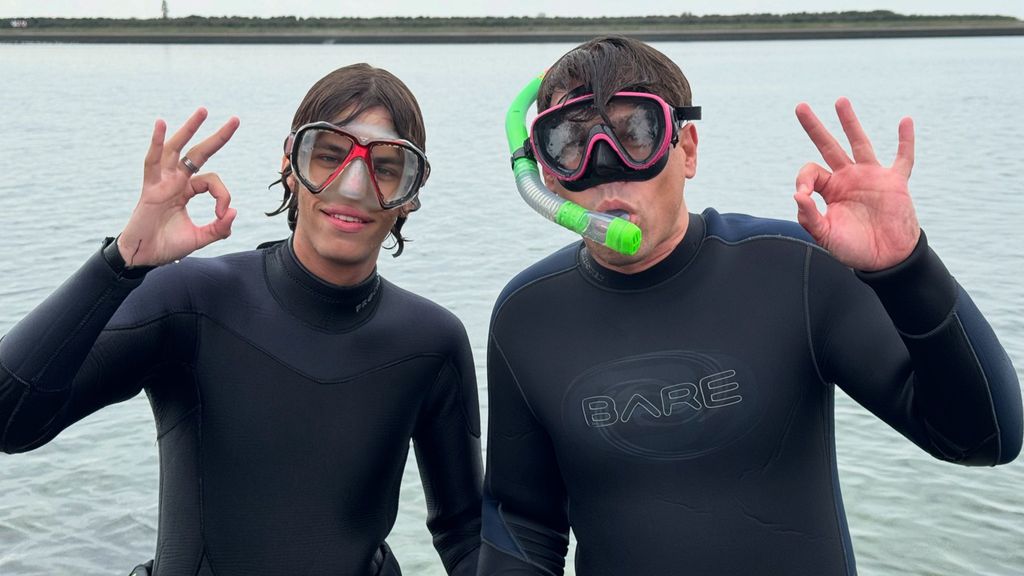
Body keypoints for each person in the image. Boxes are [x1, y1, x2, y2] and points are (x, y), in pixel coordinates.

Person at [478, 36, 1022, 576]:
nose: (606, 166)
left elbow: (984, 438)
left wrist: (905, 268)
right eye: (571, 144)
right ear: (547, 176)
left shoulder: (795, 270)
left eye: (634, 134)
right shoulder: (528, 315)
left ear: (686, 150)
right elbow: (522, 524)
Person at [0, 63, 482, 576]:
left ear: (411, 193)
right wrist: (123, 261)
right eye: (329, 157)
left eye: (386, 168)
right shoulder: (193, 300)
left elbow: (466, 534)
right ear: (290, 166)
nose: (355, 187)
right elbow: (12, 422)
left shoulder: (431, 341)